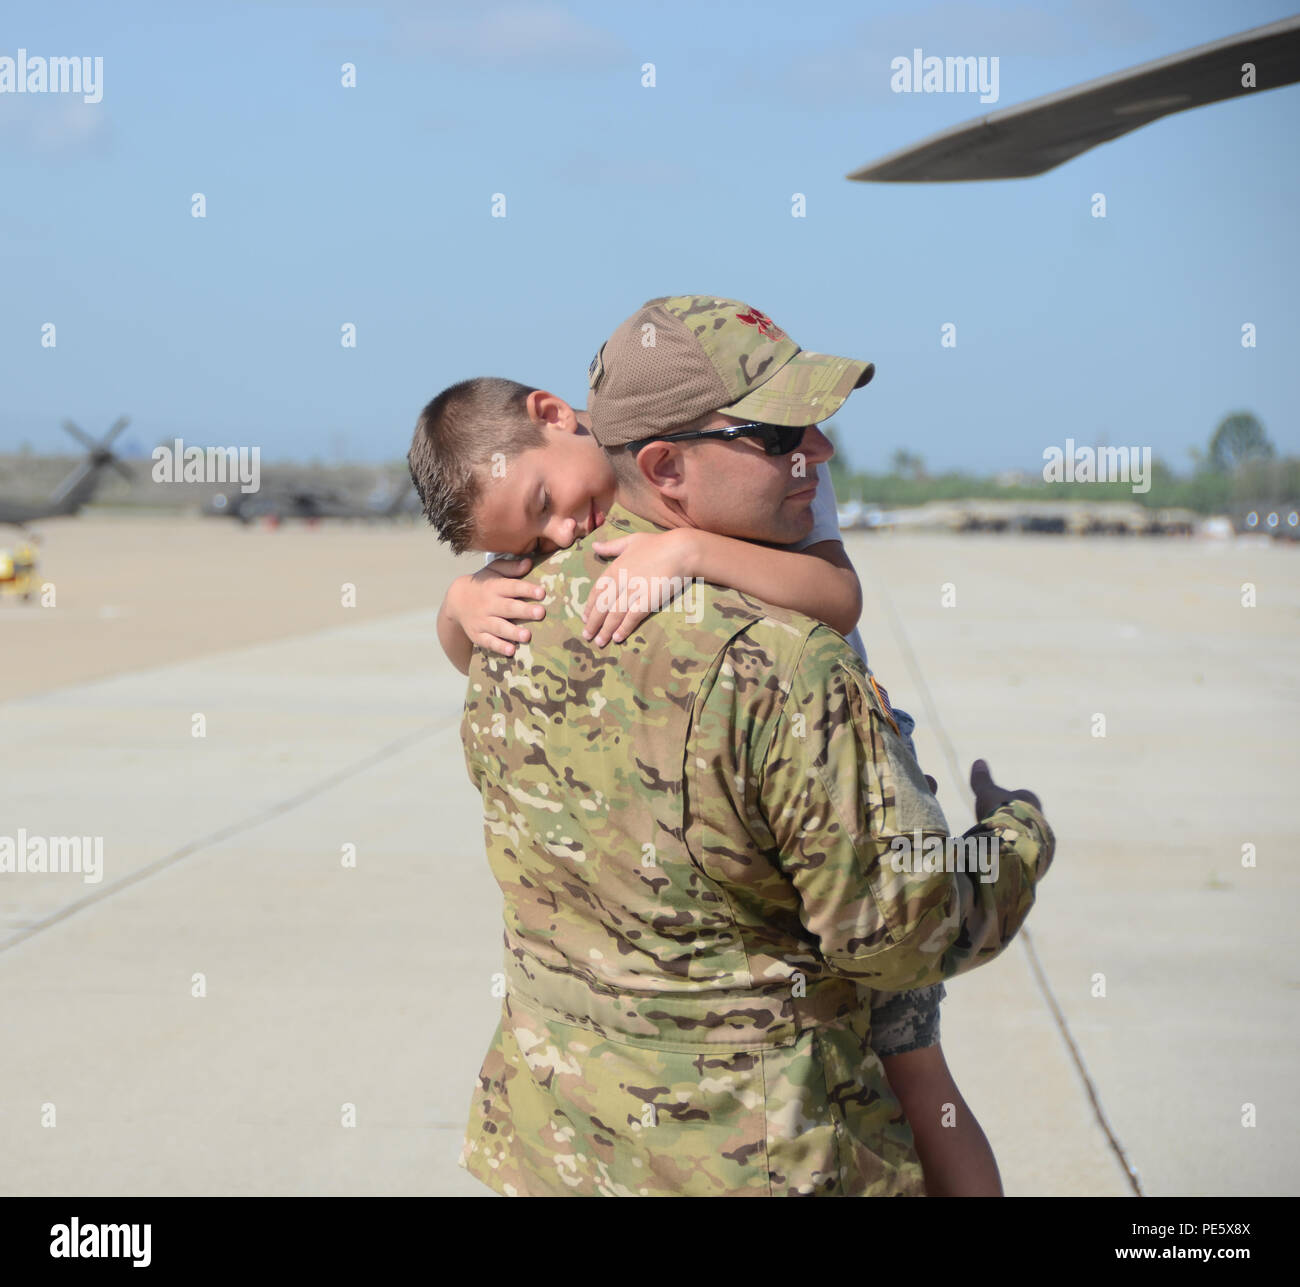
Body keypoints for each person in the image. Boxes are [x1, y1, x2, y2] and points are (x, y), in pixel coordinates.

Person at [425, 295, 1055, 1195]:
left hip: (568, 1136)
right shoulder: (783, 661)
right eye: (774, 434)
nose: (820, 452)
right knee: (924, 1077)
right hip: (761, 1147)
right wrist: (1018, 837)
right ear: (663, 464)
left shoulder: (515, 624)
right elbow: (902, 933)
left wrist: (464, 610)